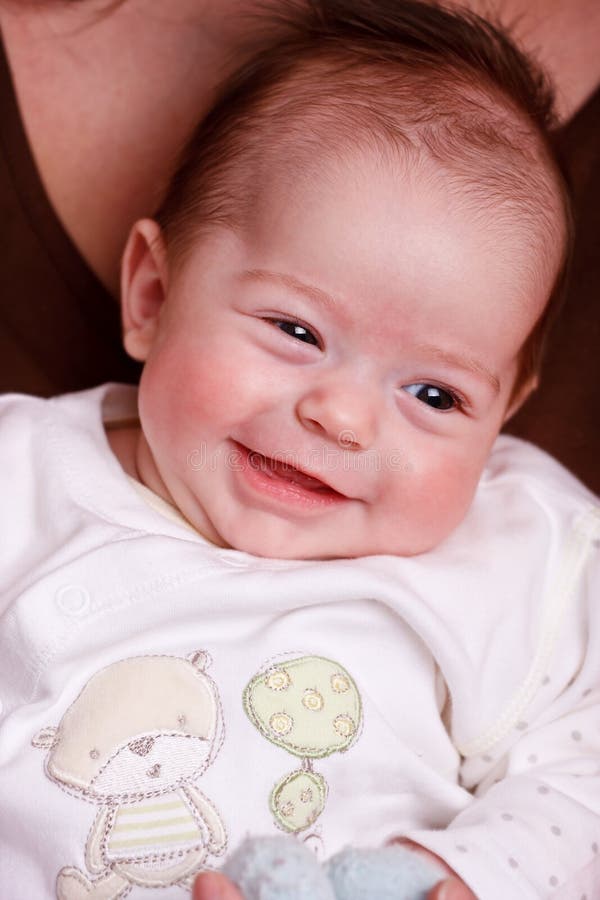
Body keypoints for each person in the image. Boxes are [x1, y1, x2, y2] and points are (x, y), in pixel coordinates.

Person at [0, 2, 598, 899]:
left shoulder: (522, 549)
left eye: (435, 395)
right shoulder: (22, 480)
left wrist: (466, 876)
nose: (344, 418)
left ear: (504, 411)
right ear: (154, 295)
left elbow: (584, 771)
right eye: (296, 330)